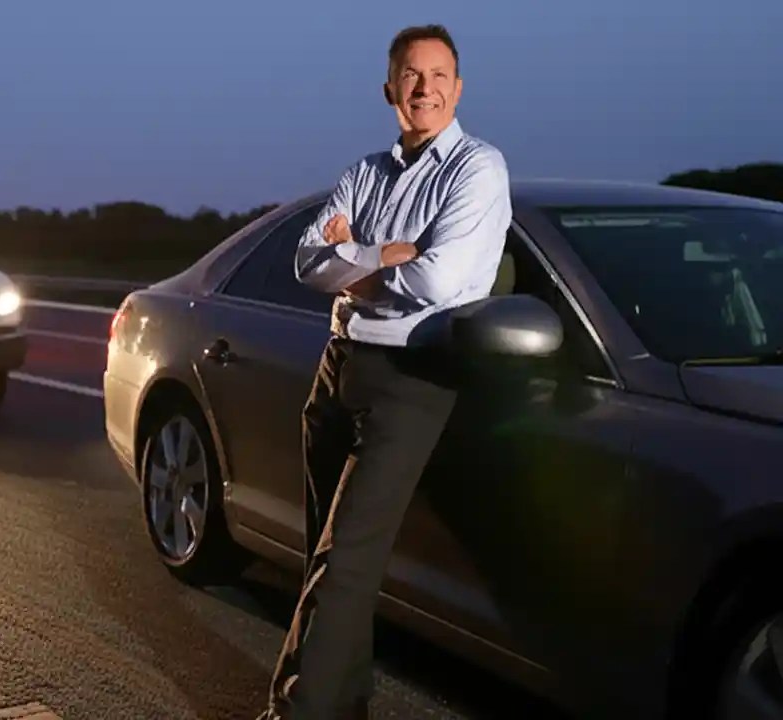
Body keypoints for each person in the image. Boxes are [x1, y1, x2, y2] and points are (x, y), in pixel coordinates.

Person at [261, 24, 512, 720]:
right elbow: (305, 262)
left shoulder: (477, 169)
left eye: (437, 75)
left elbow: (436, 282)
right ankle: (346, 707)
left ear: (457, 88)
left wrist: (354, 263)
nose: (424, 86)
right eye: (411, 74)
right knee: (328, 561)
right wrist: (386, 255)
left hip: (412, 377)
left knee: (343, 566)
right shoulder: (364, 173)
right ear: (390, 89)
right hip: (338, 366)